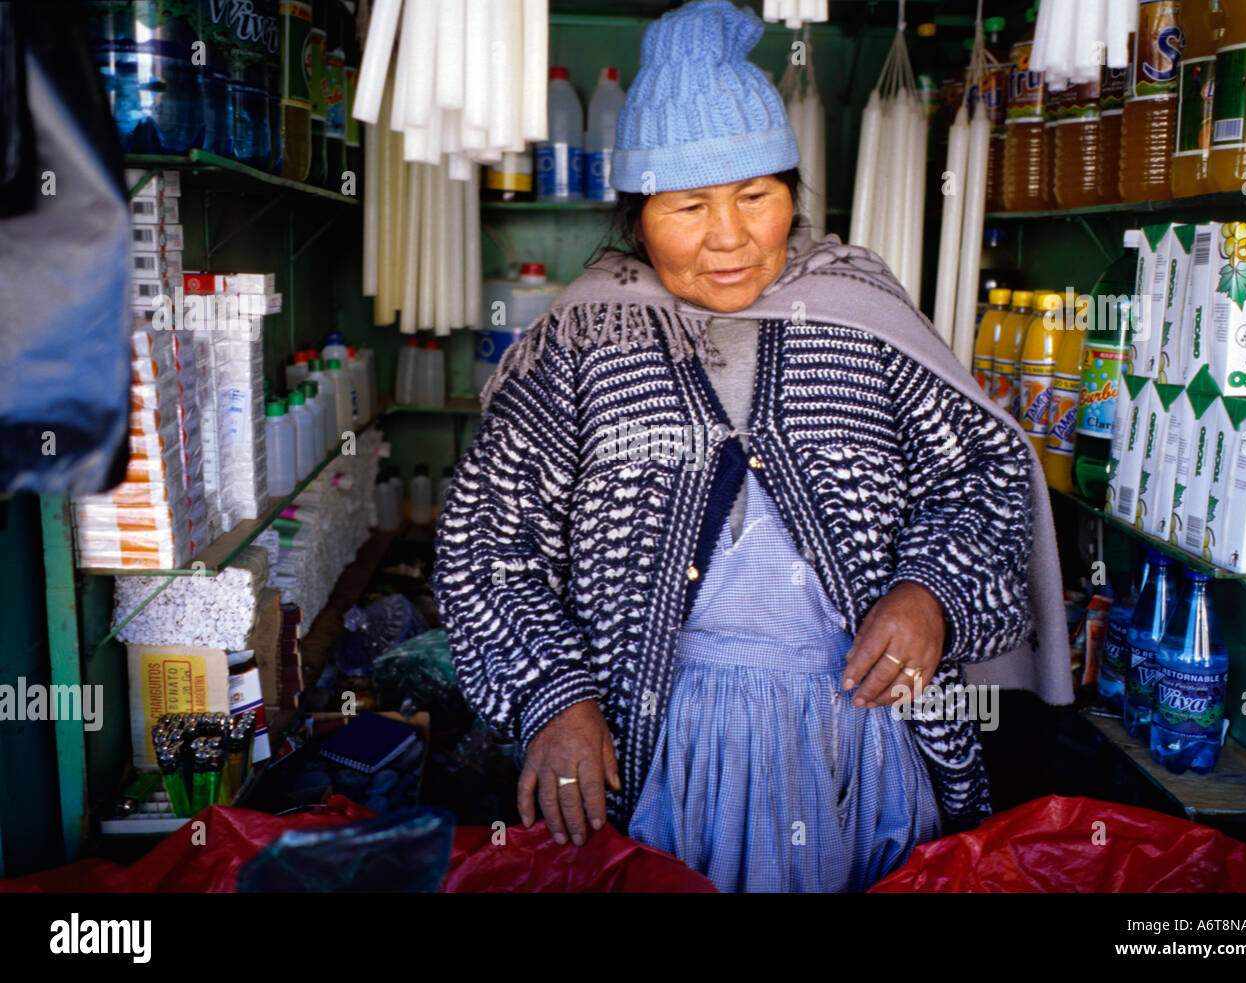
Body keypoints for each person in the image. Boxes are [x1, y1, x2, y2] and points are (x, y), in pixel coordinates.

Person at [433, 0, 1072, 892]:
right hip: (658, 751)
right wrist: (556, 698)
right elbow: (487, 544)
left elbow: (984, 476)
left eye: (756, 196)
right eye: (688, 205)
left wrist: (931, 594)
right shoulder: (584, 340)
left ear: (792, 195)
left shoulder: (860, 311)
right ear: (636, 211)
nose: (728, 237)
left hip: (862, 740)